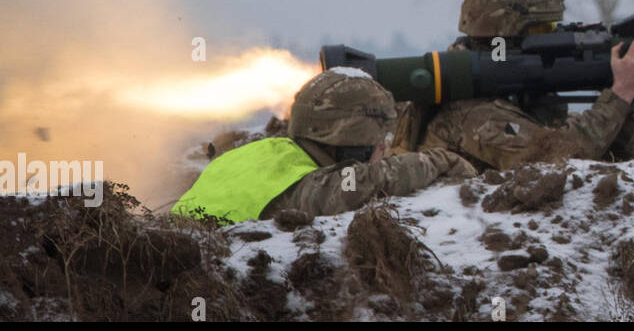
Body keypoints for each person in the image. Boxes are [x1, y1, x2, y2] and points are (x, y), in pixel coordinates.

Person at [389, 0, 634, 171]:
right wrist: (619, 96)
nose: (553, 37)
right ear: (502, 35)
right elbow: (558, 162)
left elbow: (611, 162)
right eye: (542, 29)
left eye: (553, 28)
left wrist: (620, 99)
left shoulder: (513, 93)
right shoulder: (472, 112)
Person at [172, 68, 475, 223]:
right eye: (379, 139)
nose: (384, 148)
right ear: (350, 139)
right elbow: (361, 184)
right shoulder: (305, 186)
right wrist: (441, 161)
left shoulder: (260, 153)